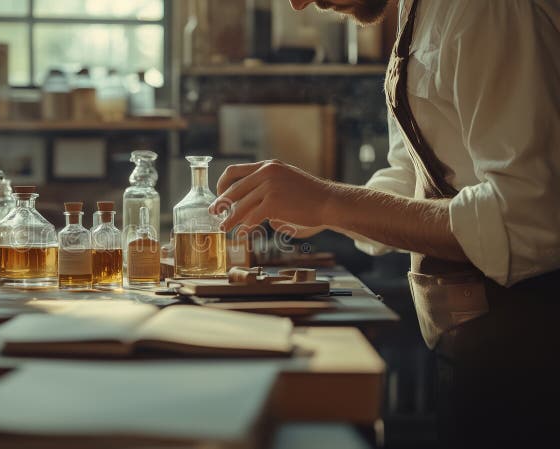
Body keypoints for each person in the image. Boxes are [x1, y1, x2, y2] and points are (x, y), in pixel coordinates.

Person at [213, 0, 560, 447]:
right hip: (476, 346)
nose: (298, 4)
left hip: (534, 353)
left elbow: (531, 217)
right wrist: (315, 207)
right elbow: (413, 177)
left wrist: (329, 202)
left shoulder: (485, 9)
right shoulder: (420, 15)